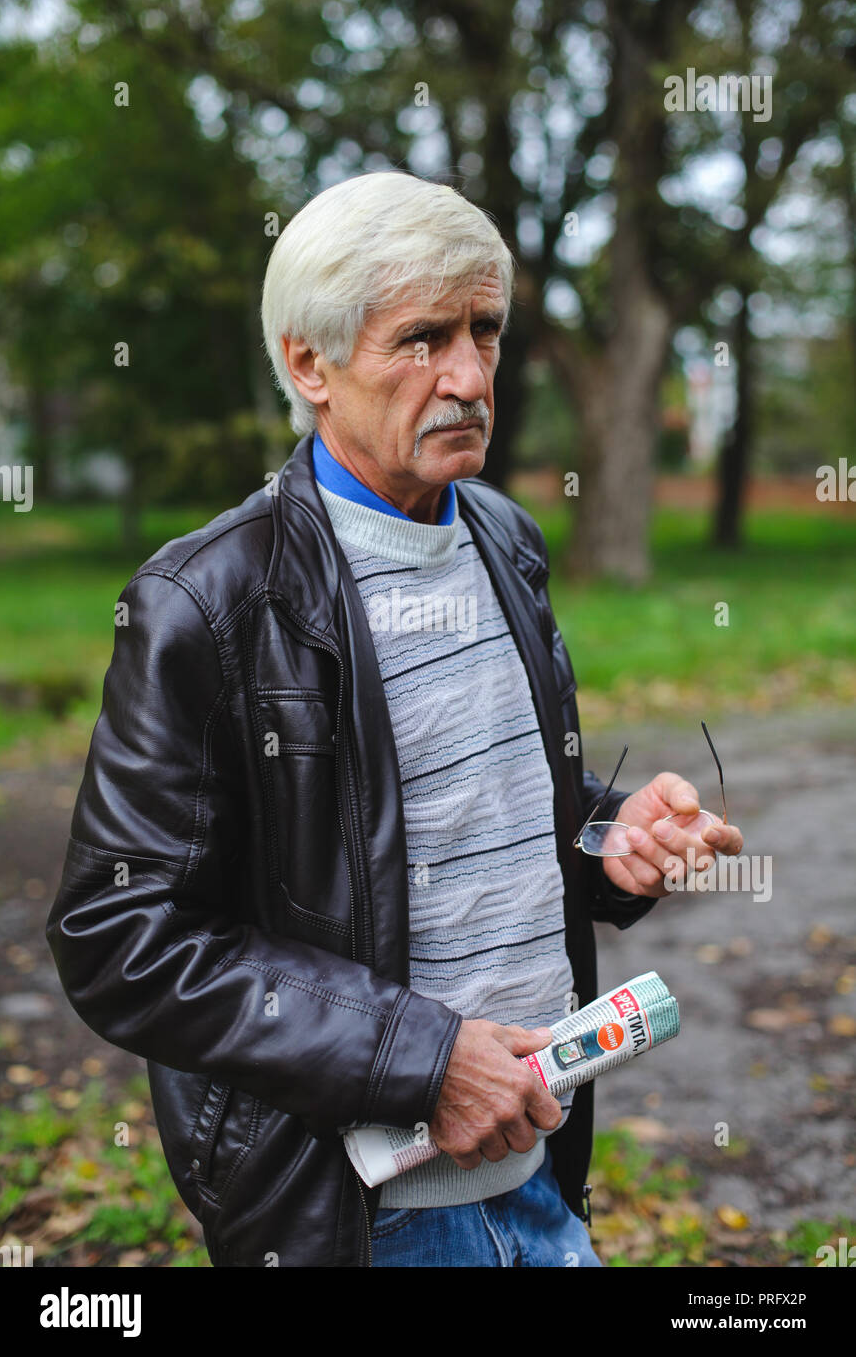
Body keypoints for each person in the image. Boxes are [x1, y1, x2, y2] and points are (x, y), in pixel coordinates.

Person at [46, 170, 743, 1268]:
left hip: (540, 1174)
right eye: (420, 339)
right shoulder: (208, 603)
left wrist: (614, 838)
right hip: (357, 1218)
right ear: (307, 364)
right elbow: (119, 937)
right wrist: (419, 1061)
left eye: (485, 330)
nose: (467, 375)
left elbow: (475, 809)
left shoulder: (504, 538)